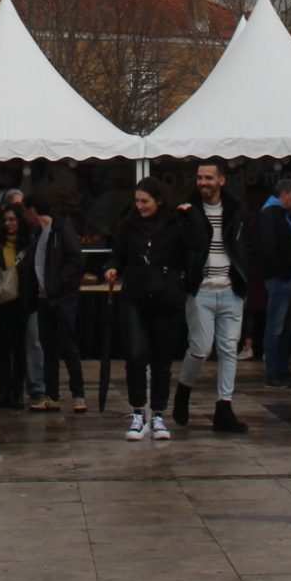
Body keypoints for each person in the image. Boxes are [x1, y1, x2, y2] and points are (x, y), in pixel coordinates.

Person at [112, 181, 196, 441]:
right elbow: (118, 254)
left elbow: (194, 248)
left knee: (162, 358)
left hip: (166, 296)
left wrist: (182, 283)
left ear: (158, 201)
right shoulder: (128, 224)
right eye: (137, 201)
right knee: (136, 354)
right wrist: (112, 268)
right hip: (136, 296)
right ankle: (138, 411)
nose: (140, 206)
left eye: (145, 201)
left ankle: (158, 413)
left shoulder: (176, 224)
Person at [172, 160, 250, 433]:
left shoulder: (236, 211)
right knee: (200, 349)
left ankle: (224, 407)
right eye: (200, 178)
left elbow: (245, 246)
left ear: (221, 181)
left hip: (230, 289)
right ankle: (183, 390)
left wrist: (245, 276)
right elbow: (180, 248)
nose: (203, 183)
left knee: (229, 349)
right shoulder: (187, 211)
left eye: (208, 178)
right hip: (201, 290)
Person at [22, 190, 86, 412]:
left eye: (26, 212)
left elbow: (76, 258)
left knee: (68, 346)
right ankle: (52, 395)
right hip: (44, 299)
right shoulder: (39, 234)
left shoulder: (60, 228)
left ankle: (78, 395)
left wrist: (59, 284)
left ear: (32, 210)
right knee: (48, 348)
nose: (25, 216)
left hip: (62, 298)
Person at [255, 172, 291, 389]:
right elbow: (269, 248)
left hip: (290, 278)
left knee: (285, 327)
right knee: (276, 327)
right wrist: (284, 273)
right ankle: (274, 371)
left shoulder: (283, 215)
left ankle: (282, 369)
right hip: (281, 280)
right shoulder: (271, 215)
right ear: (283, 194)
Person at [0, 201, 33, 411]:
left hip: (20, 302)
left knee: (18, 350)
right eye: (6, 220)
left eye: (12, 220)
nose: (9, 224)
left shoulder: (27, 244)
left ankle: (17, 393)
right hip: (1, 302)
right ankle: (4, 392)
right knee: (2, 350)